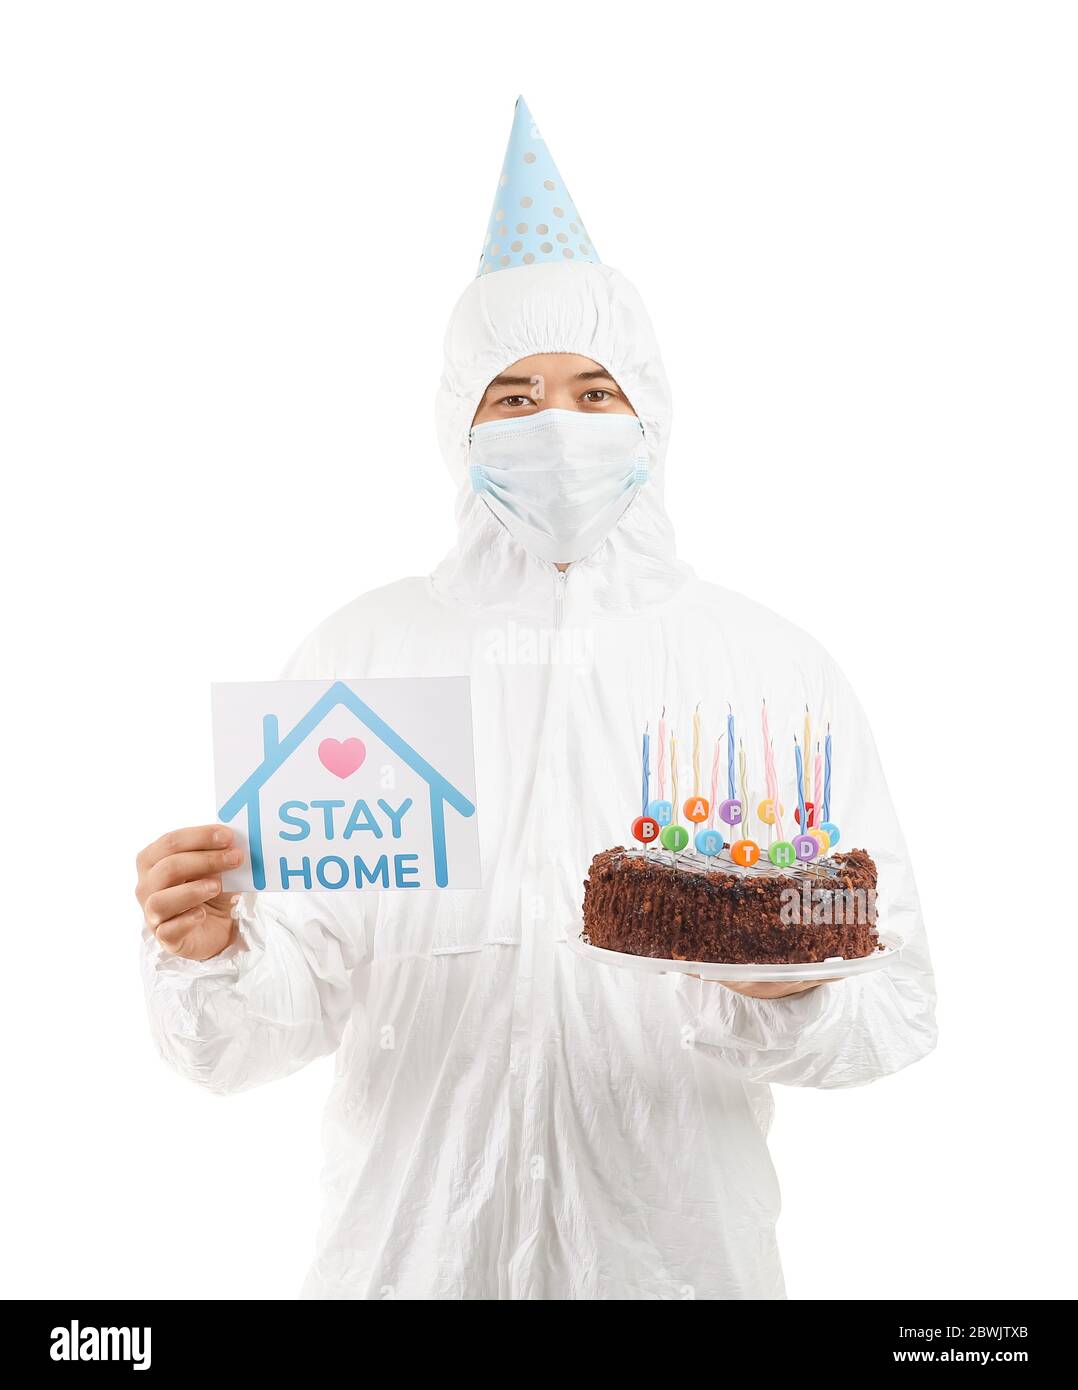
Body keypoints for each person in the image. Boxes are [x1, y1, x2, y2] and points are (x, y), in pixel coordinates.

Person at [136, 98, 936, 1300]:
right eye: (512, 395)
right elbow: (266, 1028)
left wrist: (776, 988)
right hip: (407, 1260)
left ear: (650, 416)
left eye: (592, 390)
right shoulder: (359, 656)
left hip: (674, 1263)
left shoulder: (768, 670)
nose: (554, 421)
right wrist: (210, 954)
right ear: (458, 422)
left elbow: (897, 1008)